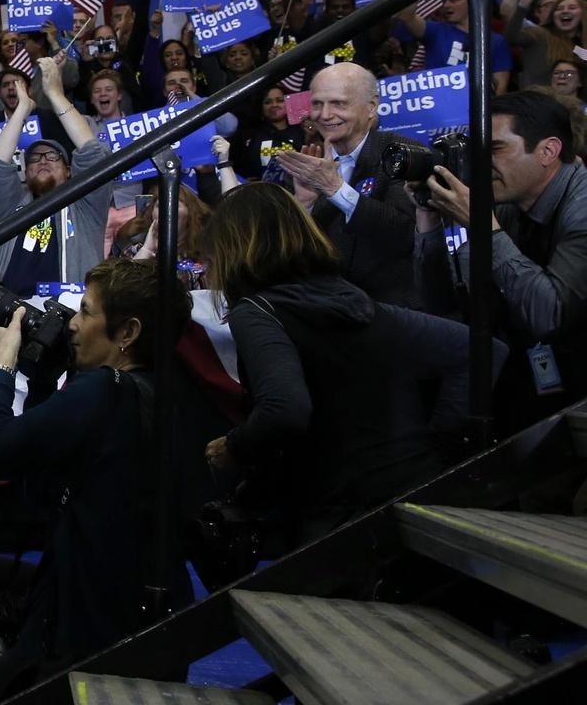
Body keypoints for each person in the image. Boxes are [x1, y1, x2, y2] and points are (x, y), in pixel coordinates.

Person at [0, 259, 189, 704]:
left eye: (86, 312)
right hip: (120, 596)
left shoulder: (105, 390)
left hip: (90, 620)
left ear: (127, 333)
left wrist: (4, 366)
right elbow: (42, 491)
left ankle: (32, 669)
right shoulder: (158, 389)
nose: (72, 325)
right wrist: (45, 381)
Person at [202, 183, 481, 546]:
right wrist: (436, 443)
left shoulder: (257, 312)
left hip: (340, 514)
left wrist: (235, 448)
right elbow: (474, 349)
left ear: (228, 248)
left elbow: (286, 409)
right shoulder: (354, 298)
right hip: (414, 485)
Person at [415, 91, 587, 433]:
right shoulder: (508, 202)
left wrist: (483, 228)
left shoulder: (581, 209)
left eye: (494, 150)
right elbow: (445, 303)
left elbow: (549, 316)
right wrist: (428, 220)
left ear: (548, 151)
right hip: (535, 370)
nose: (481, 164)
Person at [270, 63, 421, 305]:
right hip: (327, 309)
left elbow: (405, 235)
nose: (325, 114)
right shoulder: (308, 163)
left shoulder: (402, 154)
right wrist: (305, 205)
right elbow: (291, 253)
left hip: (392, 311)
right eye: (317, 104)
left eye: (338, 103)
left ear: (371, 107)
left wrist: (335, 190)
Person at [0, 58, 117, 291]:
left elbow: (94, 154)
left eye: (53, 156)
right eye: (34, 158)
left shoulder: (86, 206)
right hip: (10, 314)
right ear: (25, 172)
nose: (43, 160)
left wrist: (55, 94)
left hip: (71, 314)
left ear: (69, 170)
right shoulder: (11, 207)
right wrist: (23, 108)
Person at [395, 0, 513, 94]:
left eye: (453, 0)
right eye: (444, 2)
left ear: (473, 1)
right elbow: (407, 16)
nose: (446, 5)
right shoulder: (435, 31)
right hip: (439, 106)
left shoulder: (496, 41)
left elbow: (500, 88)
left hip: (475, 111)